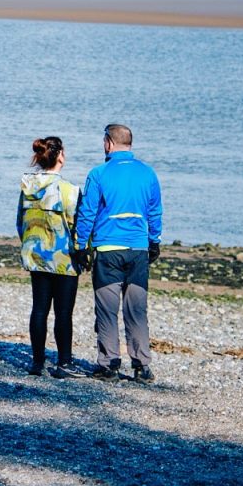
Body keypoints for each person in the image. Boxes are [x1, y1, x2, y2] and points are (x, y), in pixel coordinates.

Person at [73, 123, 163, 382]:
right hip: (137, 249)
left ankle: (109, 362)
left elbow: (87, 212)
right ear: (129, 144)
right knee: (136, 310)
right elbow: (155, 211)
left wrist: (81, 246)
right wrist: (154, 241)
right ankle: (142, 365)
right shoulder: (148, 173)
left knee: (107, 309)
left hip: (109, 249)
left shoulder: (99, 173)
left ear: (108, 143)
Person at [16, 136, 86, 379]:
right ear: (60, 156)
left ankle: (38, 362)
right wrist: (83, 252)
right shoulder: (70, 190)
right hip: (64, 257)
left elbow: (20, 222)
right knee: (63, 313)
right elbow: (79, 226)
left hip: (36, 254)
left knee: (39, 308)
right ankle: (64, 362)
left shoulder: (28, 186)